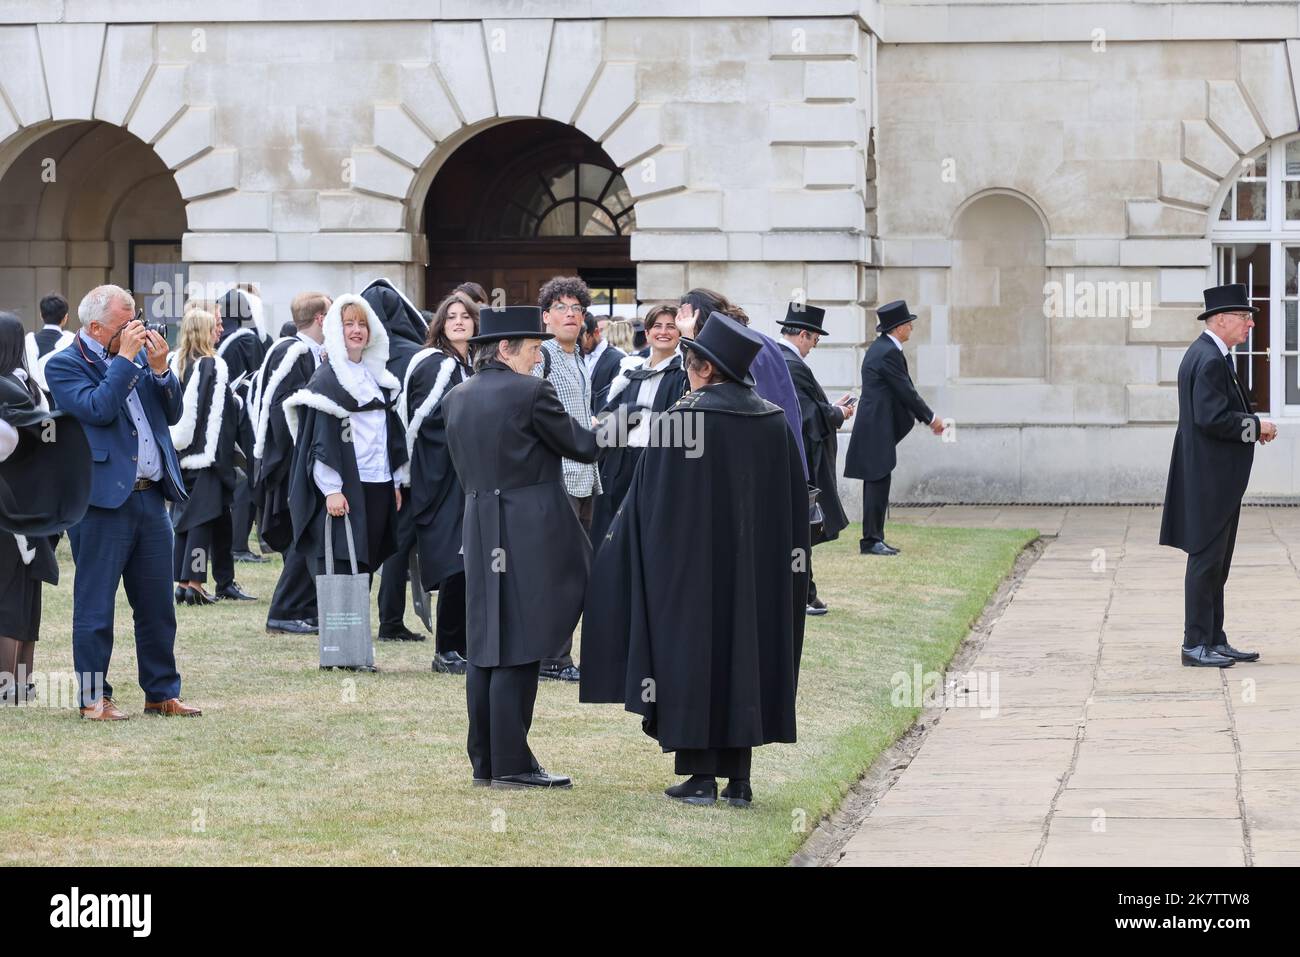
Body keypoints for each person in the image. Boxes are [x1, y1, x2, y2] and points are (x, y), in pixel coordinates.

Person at [581, 313, 809, 808]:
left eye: (688, 362)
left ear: (703, 368)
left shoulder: (684, 420)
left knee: (693, 658)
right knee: (746, 657)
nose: (685, 370)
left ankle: (702, 777)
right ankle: (740, 781)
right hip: (759, 575)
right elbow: (793, 508)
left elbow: (649, 504)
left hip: (690, 573)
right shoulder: (771, 420)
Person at [441, 305, 605, 788]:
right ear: (507, 348)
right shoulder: (532, 391)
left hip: (478, 523)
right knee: (522, 639)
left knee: (486, 641)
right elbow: (583, 446)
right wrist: (622, 426)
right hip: (529, 527)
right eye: (535, 349)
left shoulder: (456, 397)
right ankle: (511, 762)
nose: (540, 359)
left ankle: (486, 762)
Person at [44, 285, 202, 720]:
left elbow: (170, 414)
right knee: (95, 607)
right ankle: (94, 698)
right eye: (124, 325)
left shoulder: (132, 360)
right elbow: (97, 408)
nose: (135, 330)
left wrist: (160, 369)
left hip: (151, 500)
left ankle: (161, 692)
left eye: (137, 321)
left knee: (157, 607)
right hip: (99, 503)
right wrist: (124, 361)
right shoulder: (64, 365)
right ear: (95, 327)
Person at [1160, 283, 1275, 667]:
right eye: (1245, 317)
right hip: (1209, 480)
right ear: (1221, 319)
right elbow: (1211, 419)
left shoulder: (1210, 353)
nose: (1250, 325)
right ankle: (1195, 644)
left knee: (1217, 564)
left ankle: (1214, 638)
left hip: (1214, 479)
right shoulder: (1208, 358)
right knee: (1206, 561)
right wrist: (1255, 427)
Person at [0, 311, 91, 706]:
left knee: (6, 596)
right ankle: (22, 681)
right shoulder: (30, 386)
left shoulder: (5, 389)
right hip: (32, 505)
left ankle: (5, 684)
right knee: (25, 595)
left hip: (7, 506)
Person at [284, 295, 407, 583]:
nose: (356, 330)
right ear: (336, 332)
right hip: (348, 485)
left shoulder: (377, 379)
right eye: (349, 324)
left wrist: (396, 481)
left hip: (379, 482)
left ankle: (358, 624)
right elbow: (321, 439)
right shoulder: (327, 380)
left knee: (368, 557)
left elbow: (389, 433)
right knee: (343, 559)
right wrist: (331, 489)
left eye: (362, 324)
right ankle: (341, 625)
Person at [403, 292, 478, 675]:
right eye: (452, 317)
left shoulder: (469, 365)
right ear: (441, 325)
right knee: (454, 562)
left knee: (467, 563)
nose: (460, 322)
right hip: (441, 477)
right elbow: (425, 422)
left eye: (466, 316)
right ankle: (446, 649)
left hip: (466, 478)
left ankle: (460, 645)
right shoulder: (437, 364)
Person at [534, 275, 600, 682]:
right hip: (557, 476)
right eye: (561, 307)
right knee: (560, 571)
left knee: (577, 571)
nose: (571, 314)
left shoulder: (578, 357)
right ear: (546, 317)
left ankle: (557, 654)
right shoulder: (540, 356)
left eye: (577, 308)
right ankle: (551, 658)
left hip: (585, 476)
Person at [253, 291, 330, 635]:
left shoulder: (308, 352)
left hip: (298, 461)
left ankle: (304, 608)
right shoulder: (294, 351)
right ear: (320, 319)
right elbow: (283, 409)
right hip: (290, 462)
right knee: (303, 535)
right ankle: (284, 611)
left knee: (307, 535)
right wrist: (306, 453)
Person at [843, 300, 945, 556]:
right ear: (898, 328)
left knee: (878, 481)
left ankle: (874, 537)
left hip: (877, 427)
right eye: (907, 323)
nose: (911, 326)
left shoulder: (885, 349)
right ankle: (871, 540)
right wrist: (931, 418)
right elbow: (906, 392)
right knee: (877, 482)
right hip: (876, 429)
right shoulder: (887, 352)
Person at [167, 307, 254, 606]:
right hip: (206, 456)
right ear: (204, 332)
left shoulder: (176, 362)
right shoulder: (212, 365)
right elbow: (217, 418)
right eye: (214, 327)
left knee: (185, 520)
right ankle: (196, 583)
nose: (219, 331)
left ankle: (181, 582)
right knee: (201, 521)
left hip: (179, 455)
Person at [361, 278, 430, 643]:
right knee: (399, 544)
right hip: (409, 461)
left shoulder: (366, 355)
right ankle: (389, 620)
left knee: (369, 544)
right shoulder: (416, 353)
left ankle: (369, 619)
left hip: (372, 462)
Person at [676, 288, 807, 474]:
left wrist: (687, 339)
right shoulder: (763, 341)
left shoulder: (724, 349)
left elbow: (699, 393)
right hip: (781, 447)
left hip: (746, 455)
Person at [589, 304, 688, 549]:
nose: (663, 332)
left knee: (650, 530)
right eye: (657, 326)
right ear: (647, 331)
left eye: (671, 327)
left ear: (679, 334)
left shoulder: (684, 374)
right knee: (614, 532)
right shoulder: (630, 372)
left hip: (657, 460)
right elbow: (609, 412)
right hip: (621, 460)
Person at [779, 303, 854, 614]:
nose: (814, 347)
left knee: (801, 530)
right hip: (801, 461)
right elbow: (809, 417)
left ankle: (805, 592)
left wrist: (831, 409)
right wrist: (838, 413)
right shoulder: (791, 364)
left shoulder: (784, 361)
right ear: (804, 335)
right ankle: (803, 594)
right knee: (802, 530)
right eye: (814, 340)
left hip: (795, 457)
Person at [25, 293, 74, 398]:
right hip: (65, 402)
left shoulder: (28, 342)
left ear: (41, 315)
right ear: (65, 318)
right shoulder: (72, 342)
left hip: (35, 401)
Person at [582, 311, 626, 414]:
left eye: (585, 338)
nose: (581, 343)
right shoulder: (578, 354)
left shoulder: (618, 359)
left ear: (596, 333)